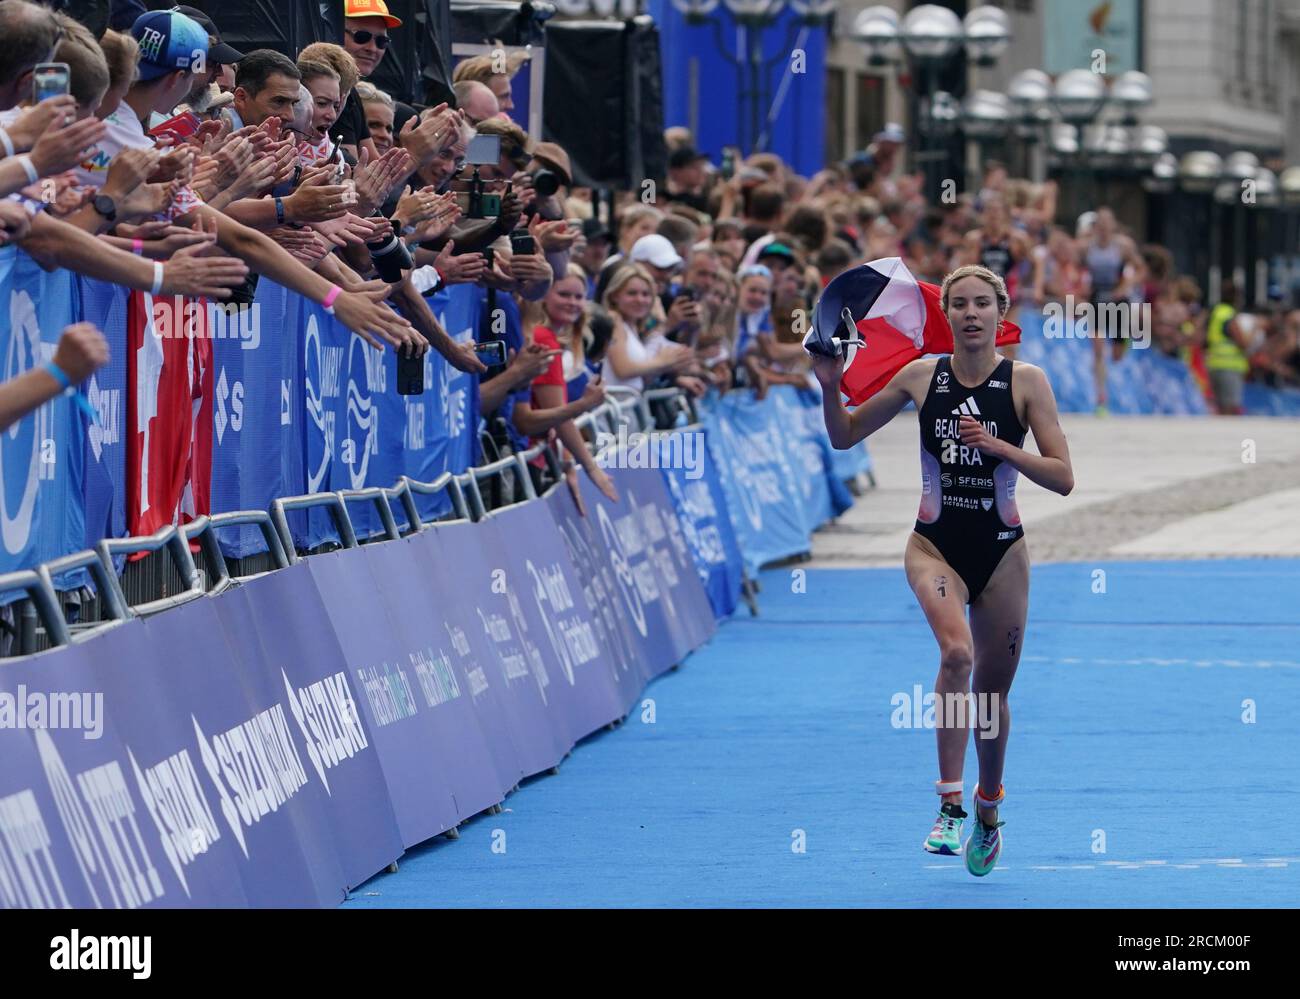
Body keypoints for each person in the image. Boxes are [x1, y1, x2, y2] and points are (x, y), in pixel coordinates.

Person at [811, 264, 1074, 876]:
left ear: (1000, 313)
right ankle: (950, 804)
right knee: (956, 655)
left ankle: (988, 808)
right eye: (960, 304)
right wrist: (829, 384)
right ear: (946, 313)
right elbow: (845, 436)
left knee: (992, 694)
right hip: (933, 546)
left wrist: (1001, 447)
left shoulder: (1028, 382)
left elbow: (1063, 477)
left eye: (984, 304)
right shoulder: (920, 377)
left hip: (1003, 551)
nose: (972, 314)